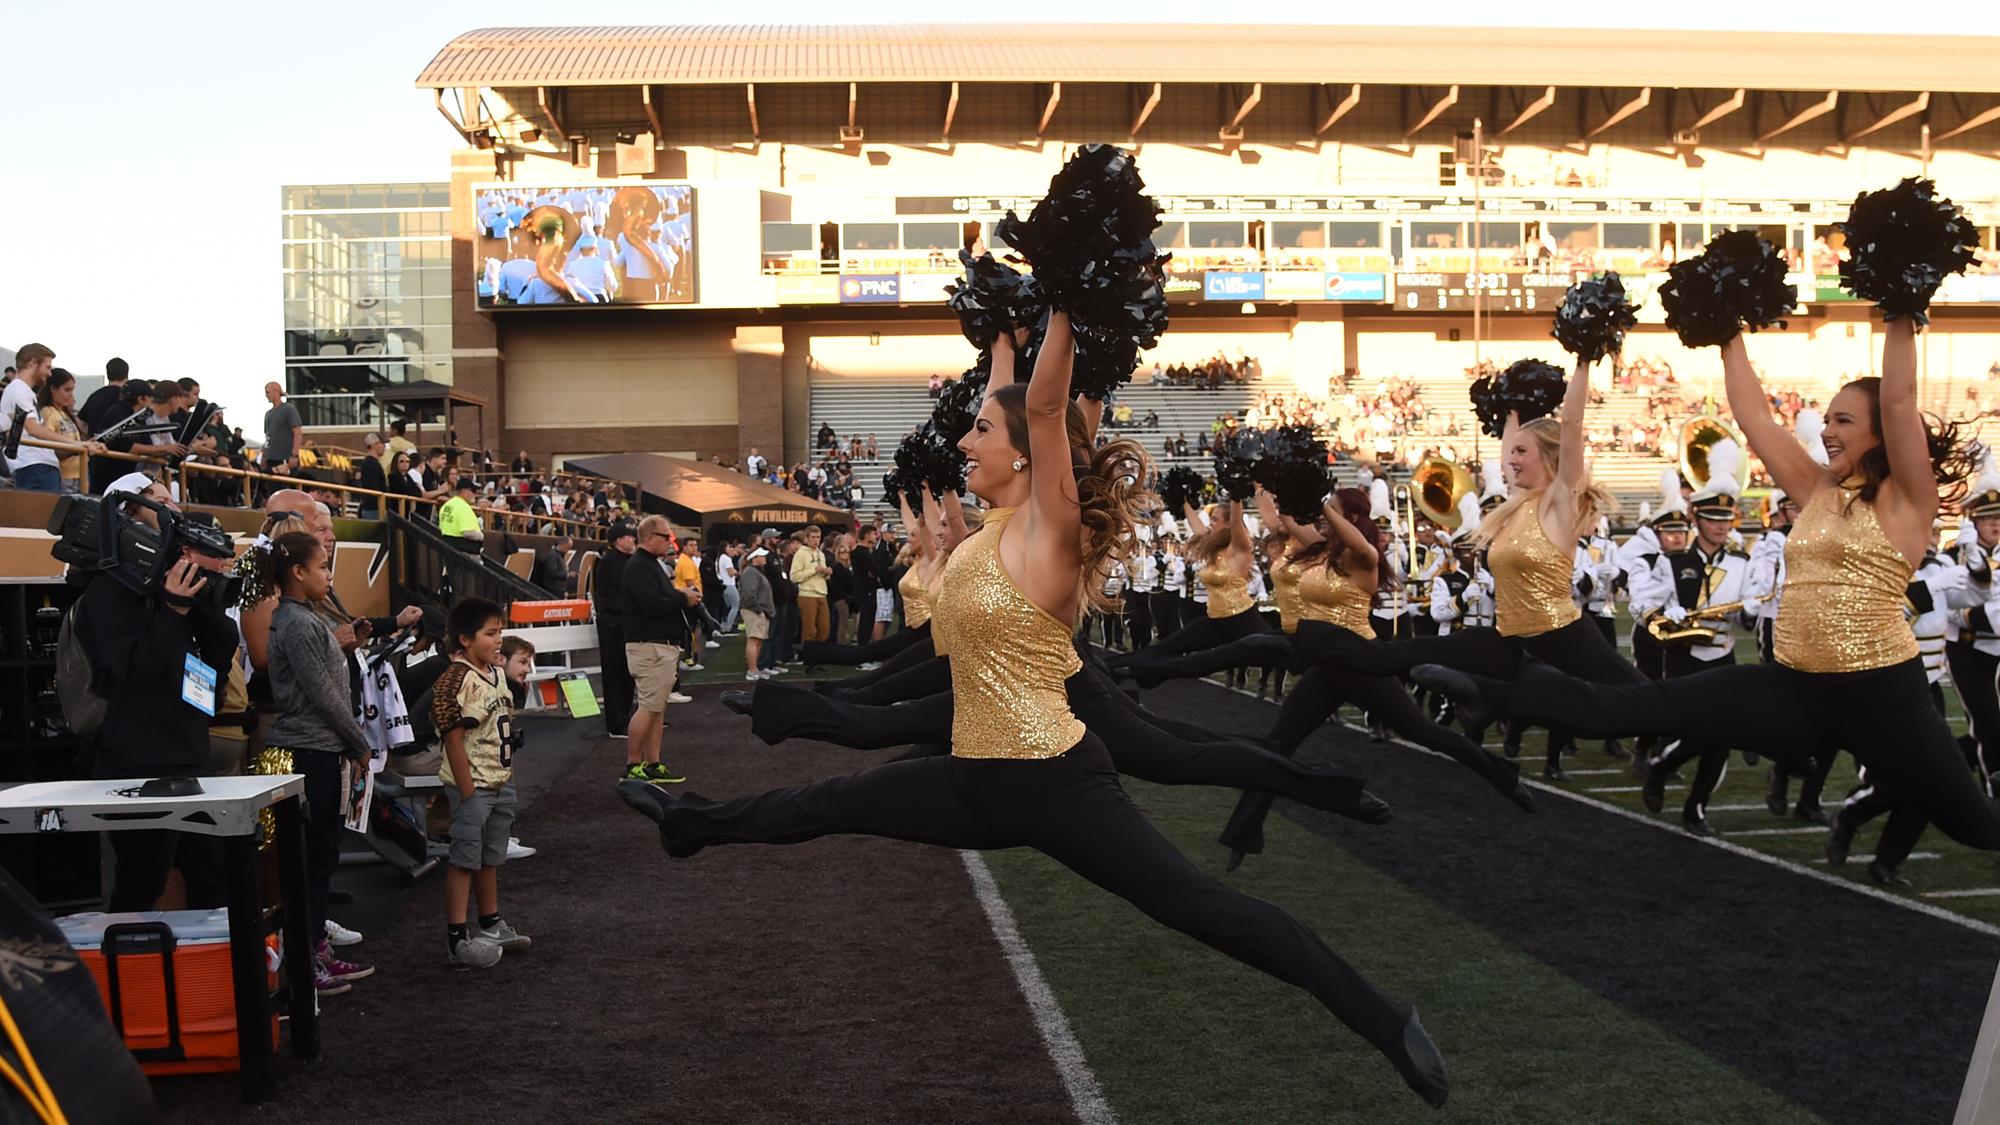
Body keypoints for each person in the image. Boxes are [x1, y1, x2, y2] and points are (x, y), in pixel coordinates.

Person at [618, 312, 1448, 1107]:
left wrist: (1061, 304)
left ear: (1025, 457)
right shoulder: (983, 533)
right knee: (826, 802)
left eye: (982, 431)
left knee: (1203, 909)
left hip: (1056, 782)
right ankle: (690, 825)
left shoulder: (1049, 530)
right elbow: (1015, 397)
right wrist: (1003, 344)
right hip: (976, 775)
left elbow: (1041, 406)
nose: (965, 440)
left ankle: (1384, 1018)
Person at [1422, 318, 2000, 855]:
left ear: (1883, 435)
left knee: (1977, 828)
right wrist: (1727, 332)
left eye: (1842, 420)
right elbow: (1753, 419)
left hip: (1882, 695)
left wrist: (1899, 309)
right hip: (1795, 687)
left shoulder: (1908, 500)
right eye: (1824, 418)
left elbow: (1898, 397)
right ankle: (1491, 696)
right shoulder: (1819, 490)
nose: (1825, 430)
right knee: (1631, 705)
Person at [72, 473, 236, 912]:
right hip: (134, 763)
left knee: (211, 875)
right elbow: (135, 669)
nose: (173, 512)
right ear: (126, 518)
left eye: (172, 502)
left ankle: (208, 976)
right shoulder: (108, 592)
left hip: (187, 753)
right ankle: (131, 974)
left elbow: (211, 664)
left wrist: (202, 605)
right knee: (143, 881)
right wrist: (172, 609)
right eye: (159, 503)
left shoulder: (173, 584)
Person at [262, 531, 376, 995]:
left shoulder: (305, 619)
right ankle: (304, 960)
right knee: (310, 860)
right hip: (309, 750)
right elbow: (324, 696)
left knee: (323, 857)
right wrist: (358, 741)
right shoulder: (294, 622)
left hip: (322, 747)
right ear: (298, 572)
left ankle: (313, 950)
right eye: (324, 566)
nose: (330, 576)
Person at [433, 597, 533, 968]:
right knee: (464, 859)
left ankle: (490, 923)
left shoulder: (492, 672)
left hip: (498, 780)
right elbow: (453, 737)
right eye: (490, 633)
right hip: (474, 784)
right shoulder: (458, 679)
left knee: (491, 855)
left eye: (500, 632)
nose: (498, 641)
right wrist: (467, 789)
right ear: (464, 639)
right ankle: (457, 938)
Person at [622, 516, 695, 784]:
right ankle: (633, 765)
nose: (670, 541)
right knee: (649, 706)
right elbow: (652, 605)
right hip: (649, 646)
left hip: (657, 646)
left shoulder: (648, 564)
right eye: (666, 537)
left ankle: (653, 762)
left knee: (657, 708)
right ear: (650, 537)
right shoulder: (640, 566)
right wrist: (683, 597)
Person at [5, 344, 101, 493]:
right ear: (32, 363)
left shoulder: (23, 391)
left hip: (38, 467)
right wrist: (77, 444)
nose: (49, 374)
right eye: (48, 367)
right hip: (34, 467)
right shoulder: (18, 389)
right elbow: (32, 428)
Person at [595, 523, 638, 739]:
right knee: (616, 674)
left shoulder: (623, 561)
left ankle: (627, 719)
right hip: (613, 624)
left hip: (621, 622)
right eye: (630, 537)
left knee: (626, 674)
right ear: (619, 540)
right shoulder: (611, 561)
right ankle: (617, 723)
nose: (633, 540)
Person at [36, 368, 89, 493]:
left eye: (72, 390)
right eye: (67, 390)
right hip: (64, 475)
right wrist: (77, 449)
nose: (71, 395)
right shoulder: (48, 412)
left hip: (80, 474)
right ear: (53, 389)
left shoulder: (65, 414)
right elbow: (49, 448)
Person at [738, 547, 777, 681]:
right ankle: (752, 671)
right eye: (762, 556)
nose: (765, 558)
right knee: (754, 640)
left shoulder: (754, 572)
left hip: (758, 610)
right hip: (754, 611)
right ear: (754, 558)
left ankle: (755, 669)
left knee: (757, 640)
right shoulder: (751, 572)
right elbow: (749, 594)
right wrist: (759, 610)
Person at [79, 356, 128, 436]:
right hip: (118, 446)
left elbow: (80, 422)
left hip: (95, 445)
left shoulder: (95, 396)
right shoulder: (127, 398)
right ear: (126, 375)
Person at [262, 382, 302, 471]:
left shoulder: (289, 409)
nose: (266, 395)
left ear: (276, 391)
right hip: (271, 459)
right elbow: (268, 437)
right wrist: (264, 456)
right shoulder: (268, 414)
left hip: (285, 458)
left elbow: (298, 433)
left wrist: (294, 455)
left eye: (268, 392)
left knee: (287, 484)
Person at [438, 479, 484, 551]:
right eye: (473, 491)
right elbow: (468, 533)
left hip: (447, 548)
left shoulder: (446, 505)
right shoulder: (464, 507)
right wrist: (482, 536)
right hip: (465, 551)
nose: (475, 495)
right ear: (464, 491)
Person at [355, 434, 388, 518]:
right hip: (374, 509)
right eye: (382, 444)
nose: (384, 447)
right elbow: (373, 489)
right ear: (375, 444)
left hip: (373, 508)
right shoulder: (371, 464)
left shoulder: (370, 463)